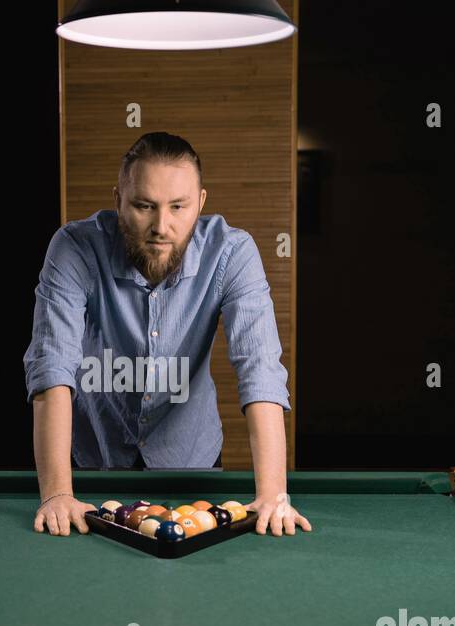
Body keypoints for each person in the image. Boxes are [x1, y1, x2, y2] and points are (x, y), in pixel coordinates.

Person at [23, 131, 312, 539]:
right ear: (118, 200)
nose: (162, 226)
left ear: (201, 203)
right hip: (93, 466)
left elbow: (259, 369)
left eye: (179, 206)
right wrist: (55, 494)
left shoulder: (233, 253)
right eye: (144, 206)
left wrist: (272, 494)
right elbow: (52, 367)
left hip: (192, 464)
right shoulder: (74, 248)